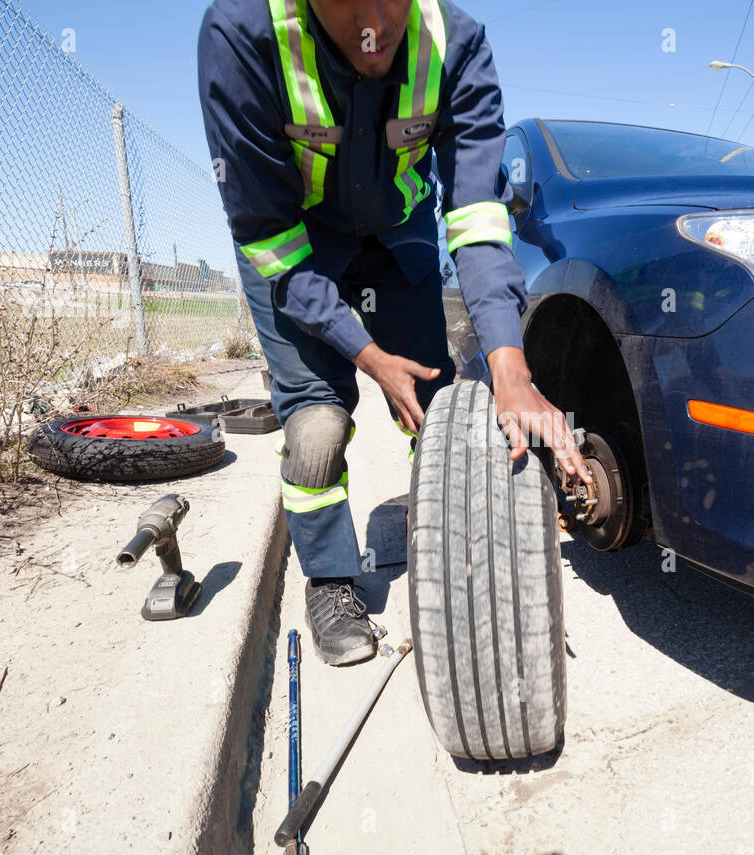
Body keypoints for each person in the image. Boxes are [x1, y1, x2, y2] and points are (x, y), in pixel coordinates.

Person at [198, 0, 590, 665]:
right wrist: (368, 355)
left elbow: (475, 213)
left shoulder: (456, 43)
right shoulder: (241, 37)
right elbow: (266, 235)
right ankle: (330, 579)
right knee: (316, 428)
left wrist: (510, 367)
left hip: (396, 240)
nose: (375, 23)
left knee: (436, 412)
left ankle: (453, 551)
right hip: (294, 251)